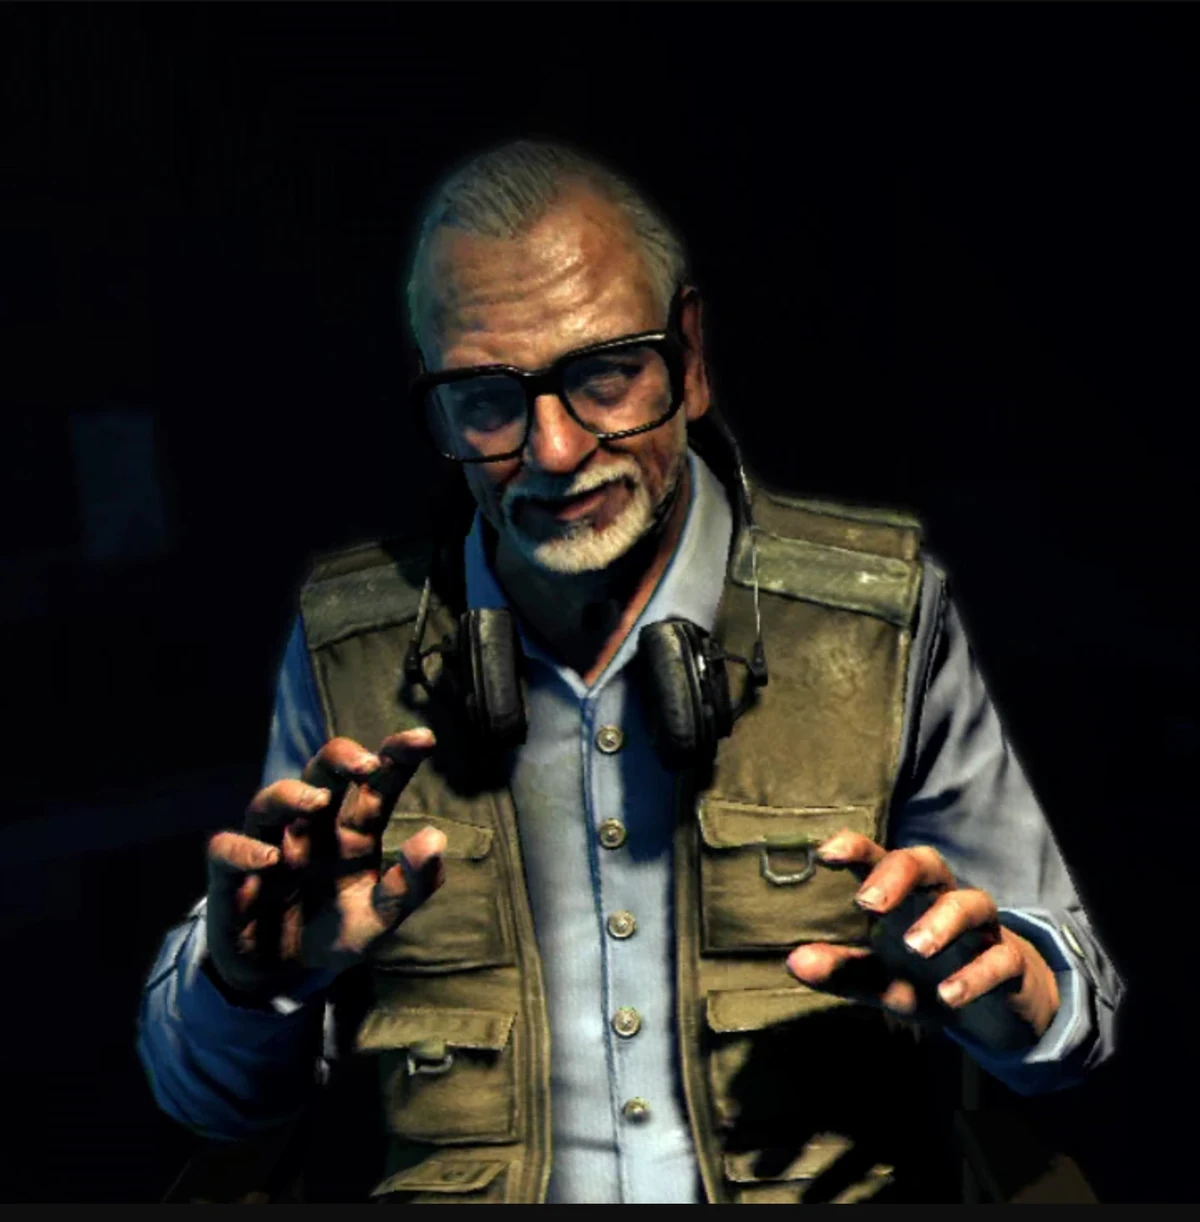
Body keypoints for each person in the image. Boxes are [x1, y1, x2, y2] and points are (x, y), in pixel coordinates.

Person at [137, 139, 1124, 1205]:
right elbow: (211, 1104)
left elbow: (1073, 1015)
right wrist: (249, 983)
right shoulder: (350, 650)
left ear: (688, 358)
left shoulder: (878, 623)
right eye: (487, 397)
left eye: (604, 373)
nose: (555, 450)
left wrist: (1009, 990)